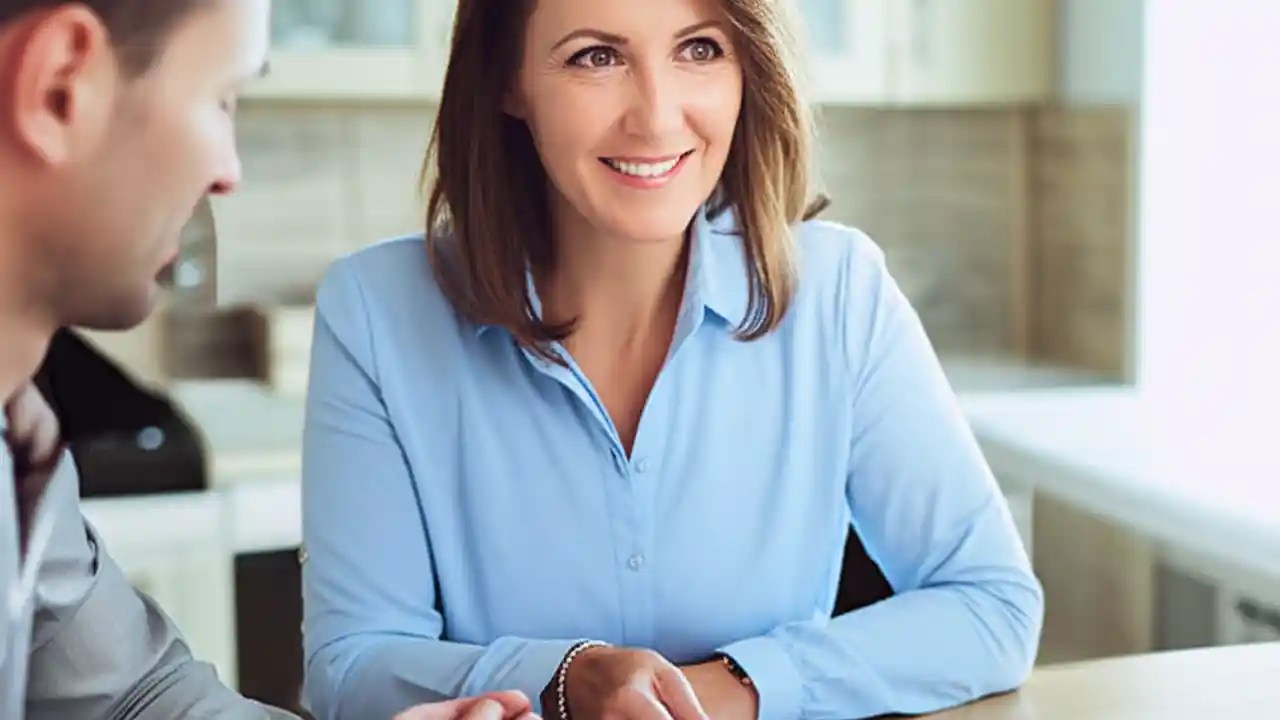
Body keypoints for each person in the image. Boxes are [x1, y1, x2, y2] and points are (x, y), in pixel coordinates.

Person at [299, 0, 1046, 718]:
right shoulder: (377, 311)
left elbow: (990, 606)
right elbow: (351, 668)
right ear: (507, 78)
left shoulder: (839, 294)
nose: (656, 116)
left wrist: (728, 693)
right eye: (595, 57)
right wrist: (568, 681)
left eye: (700, 49)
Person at [0, 1, 534, 718]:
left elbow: (137, 697)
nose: (229, 174)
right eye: (221, 100)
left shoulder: (19, 446)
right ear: (61, 86)